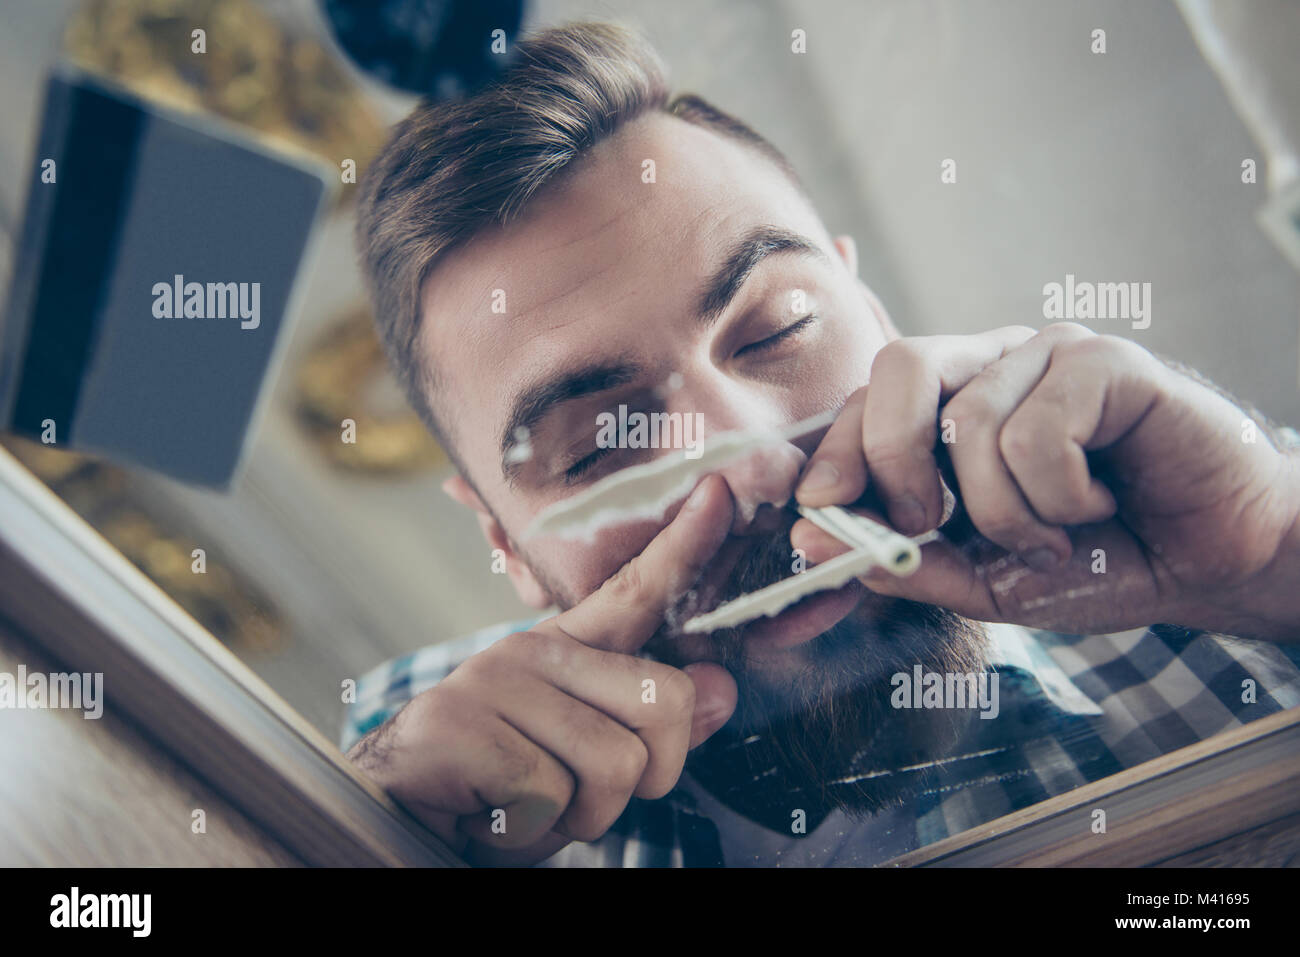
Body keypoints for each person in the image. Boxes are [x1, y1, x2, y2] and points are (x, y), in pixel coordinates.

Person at [342, 21, 1300, 866]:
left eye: (779, 329)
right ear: (501, 539)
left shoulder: (1243, 579)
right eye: (597, 444)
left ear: (874, 313)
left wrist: (1274, 557)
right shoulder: (423, 783)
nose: (755, 461)